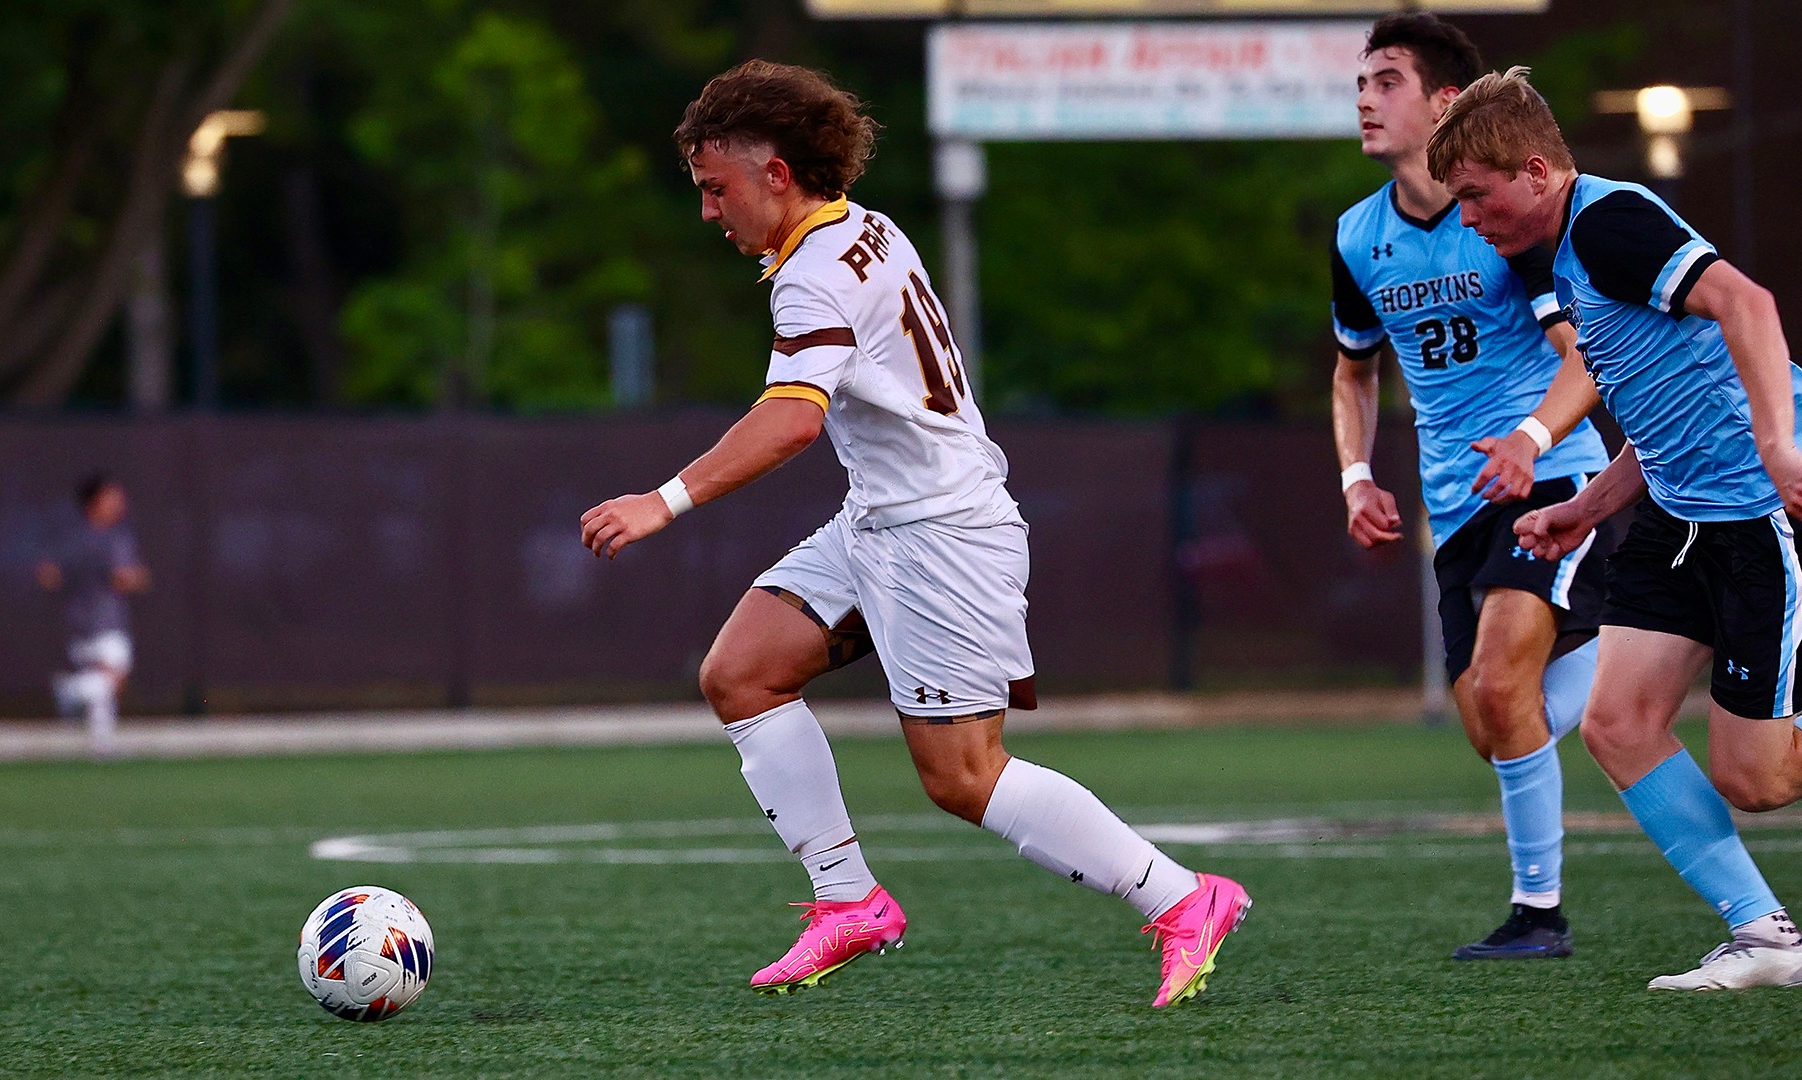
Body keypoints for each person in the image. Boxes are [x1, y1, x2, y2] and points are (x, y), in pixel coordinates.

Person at [580, 60, 1249, 1006]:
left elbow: (792, 418)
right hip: (883, 522)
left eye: (713, 187)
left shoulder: (811, 275)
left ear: (776, 173)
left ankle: (1184, 898)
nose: (707, 211)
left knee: (964, 778)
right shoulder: (862, 225)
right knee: (741, 673)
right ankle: (847, 899)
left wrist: (665, 500)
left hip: (944, 538)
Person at [1428, 66, 1802, 990]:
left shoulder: (1606, 222)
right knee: (1618, 724)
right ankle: (1764, 939)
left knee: (1757, 781)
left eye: (1476, 196)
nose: (1468, 219)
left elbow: (1747, 305)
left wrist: (1779, 443)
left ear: (1537, 169)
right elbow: (1659, 403)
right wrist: (1584, 508)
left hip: (1758, 515)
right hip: (1680, 522)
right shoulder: (1557, 259)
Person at [1329, 14, 1610, 960]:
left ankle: (1541, 915)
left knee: (1500, 685)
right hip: (1454, 503)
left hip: (1551, 482)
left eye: (1387, 80)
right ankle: (1639, 645)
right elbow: (1353, 371)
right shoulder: (1357, 234)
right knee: (1492, 727)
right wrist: (1358, 475)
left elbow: (1588, 356)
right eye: (1361, 82)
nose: (1365, 97)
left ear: (1446, 102)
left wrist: (1533, 439)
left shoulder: (1500, 213)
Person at [36, 473, 148, 755]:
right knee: (114, 676)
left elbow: (48, 573)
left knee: (102, 685)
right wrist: (138, 577)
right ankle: (70, 691)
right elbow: (123, 577)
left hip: (76, 622)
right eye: (112, 497)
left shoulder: (70, 537)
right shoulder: (116, 538)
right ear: (95, 501)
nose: (119, 503)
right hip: (106, 621)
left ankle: (102, 745)